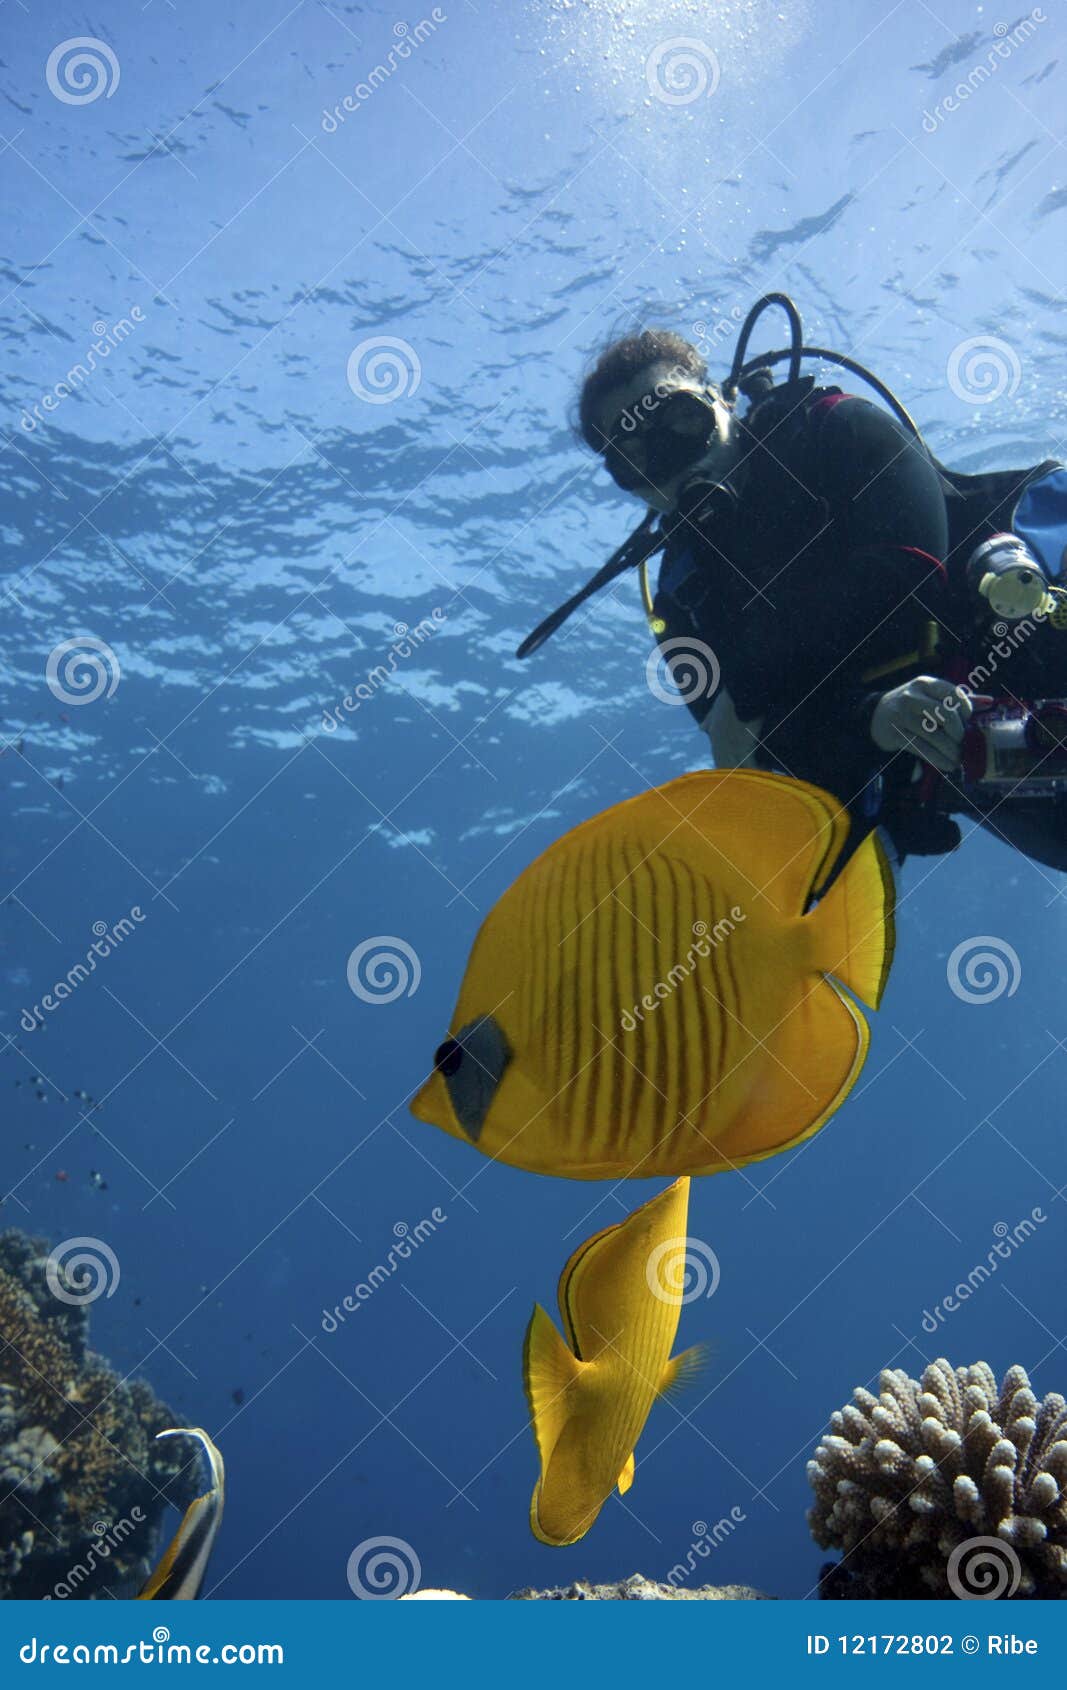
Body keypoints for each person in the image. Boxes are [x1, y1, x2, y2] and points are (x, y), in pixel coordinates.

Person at [520, 297, 1067, 874]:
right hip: (980, 751)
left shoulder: (835, 429)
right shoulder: (684, 604)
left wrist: (751, 681)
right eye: (634, 459)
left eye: (680, 423)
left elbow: (906, 568)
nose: (671, 462)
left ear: (721, 400)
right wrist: (870, 719)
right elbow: (759, 750)